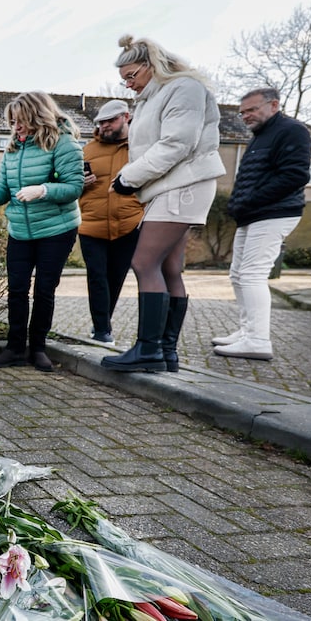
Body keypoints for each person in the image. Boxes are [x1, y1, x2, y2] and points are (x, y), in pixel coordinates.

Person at [100, 35, 225, 372]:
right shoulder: (154, 98)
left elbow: (176, 144)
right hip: (170, 188)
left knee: (144, 263)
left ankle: (149, 350)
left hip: (182, 186)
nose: (128, 84)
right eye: (123, 78)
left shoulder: (183, 88)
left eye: (131, 75)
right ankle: (166, 352)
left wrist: (129, 177)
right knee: (169, 268)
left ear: (151, 65)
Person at [0, 91, 84, 372]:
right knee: (17, 290)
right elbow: (3, 191)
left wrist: (43, 190)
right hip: (20, 231)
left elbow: (74, 187)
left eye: (20, 121)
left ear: (37, 116)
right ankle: (14, 348)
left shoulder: (64, 143)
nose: (16, 128)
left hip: (56, 230)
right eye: (12, 122)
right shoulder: (13, 150)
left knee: (44, 290)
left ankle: (38, 348)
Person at [211, 88, 311, 360]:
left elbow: (295, 175)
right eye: (243, 112)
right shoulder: (260, 136)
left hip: (273, 213)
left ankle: (257, 340)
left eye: (251, 110)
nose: (245, 116)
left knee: (253, 275)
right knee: (238, 274)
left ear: (273, 105)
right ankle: (247, 332)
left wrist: (251, 201)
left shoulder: (292, 131)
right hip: (253, 214)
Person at [79, 99, 144, 346]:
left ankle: (104, 323)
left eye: (110, 121)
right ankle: (101, 330)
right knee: (96, 276)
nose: (104, 126)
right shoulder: (87, 150)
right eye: (101, 122)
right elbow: (70, 187)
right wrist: (80, 184)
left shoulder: (141, 147)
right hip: (91, 224)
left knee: (115, 277)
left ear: (126, 117)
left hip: (129, 224)